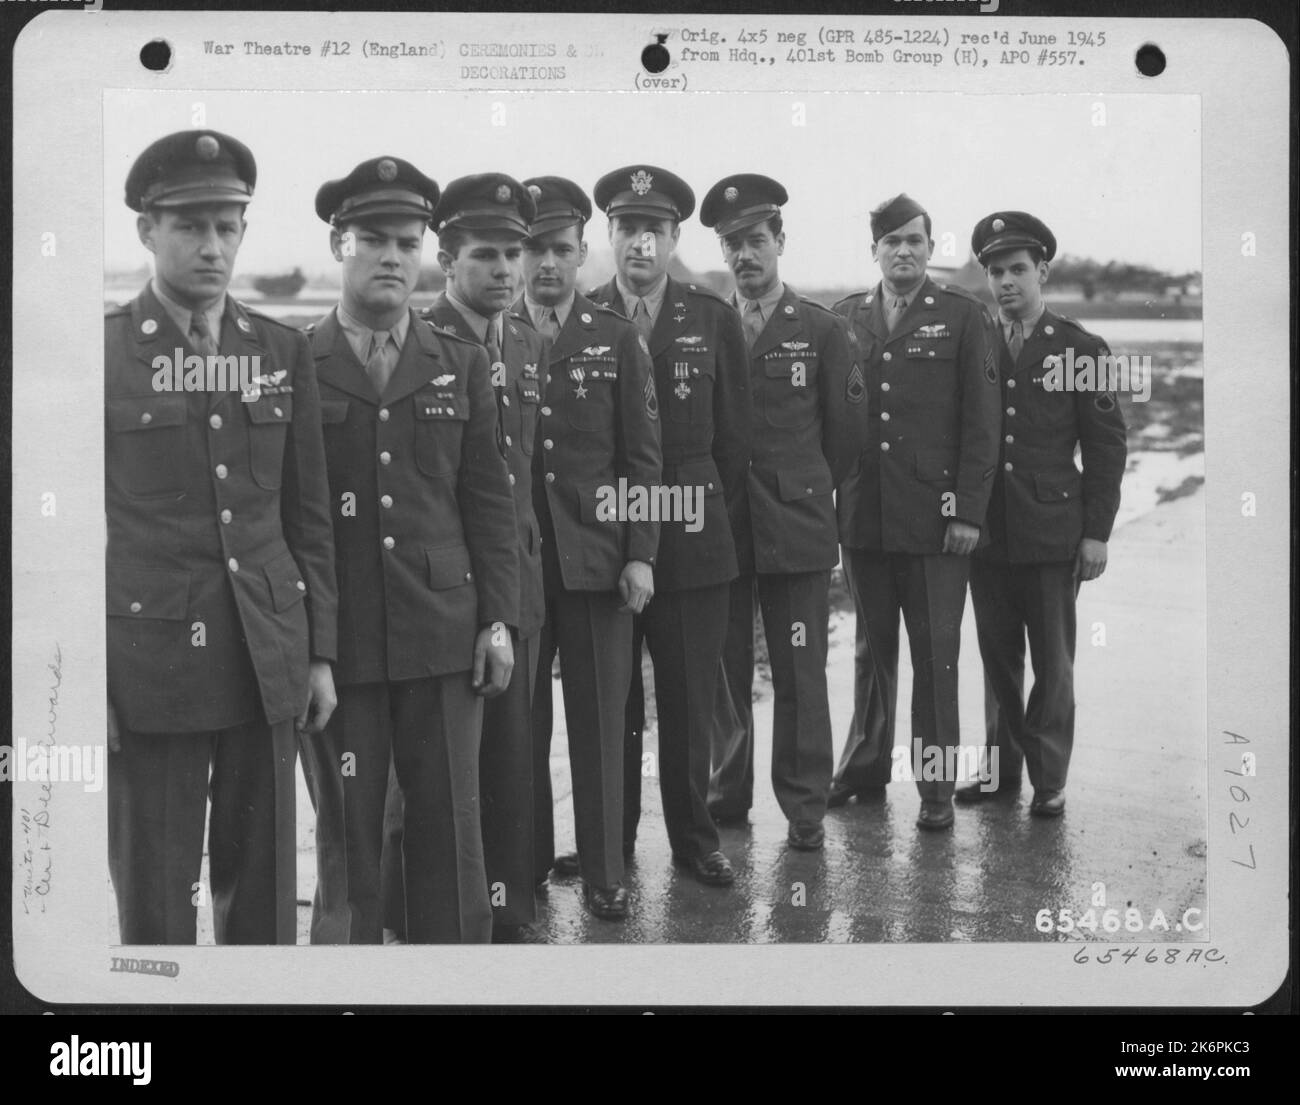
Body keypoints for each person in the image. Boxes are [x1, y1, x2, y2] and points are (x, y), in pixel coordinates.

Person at [106, 129, 337, 944]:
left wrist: (317, 655)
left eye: (227, 226)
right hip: (150, 670)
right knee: (158, 908)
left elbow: (308, 520)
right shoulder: (101, 356)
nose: (212, 246)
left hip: (261, 657)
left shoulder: (280, 351)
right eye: (190, 225)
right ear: (147, 230)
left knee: (266, 902)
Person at [300, 156, 519, 944]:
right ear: (339, 243)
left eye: (408, 240)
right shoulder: (298, 362)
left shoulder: (459, 362)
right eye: (374, 239)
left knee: (451, 842)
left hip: (444, 636)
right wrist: (312, 650)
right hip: (345, 644)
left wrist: (500, 622)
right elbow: (296, 521)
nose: (393, 255)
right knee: (349, 846)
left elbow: (489, 503)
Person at [588, 165, 750, 883]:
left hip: (691, 533)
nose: (640, 244)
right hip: (607, 539)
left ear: (675, 237)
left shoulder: (711, 318)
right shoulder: (585, 318)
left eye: (654, 230)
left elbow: (735, 442)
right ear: (610, 236)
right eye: (627, 229)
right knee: (612, 703)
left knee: (687, 702)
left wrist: (720, 535)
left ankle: (695, 838)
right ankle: (610, 846)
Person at [398, 172, 548, 942]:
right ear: (447, 259)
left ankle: (508, 904)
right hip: (447, 590)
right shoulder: (426, 343)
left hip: (517, 574)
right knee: (450, 769)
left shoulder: (522, 339)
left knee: (512, 756)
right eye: (486, 254)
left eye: (515, 254)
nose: (506, 271)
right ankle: (426, 912)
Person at [700, 174, 867, 850]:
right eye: (733, 244)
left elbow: (846, 438)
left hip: (796, 528)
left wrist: (802, 485)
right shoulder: (706, 327)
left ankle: (804, 808)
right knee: (725, 667)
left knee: (799, 669)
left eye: (756, 241)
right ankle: (726, 793)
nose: (746, 255)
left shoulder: (822, 331)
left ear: (780, 242)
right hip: (723, 528)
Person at [829, 193, 1001, 831]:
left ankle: (934, 788)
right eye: (891, 241)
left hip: (937, 523)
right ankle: (865, 767)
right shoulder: (846, 317)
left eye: (915, 241)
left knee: (935, 655)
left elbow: (982, 426)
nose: (904, 251)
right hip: (865, 519)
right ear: (873, 249)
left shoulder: (962, 315)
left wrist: (968, 514)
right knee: (871, 654)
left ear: (931, 247)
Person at [519, 175, 663, 919]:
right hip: (518, 566)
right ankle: (528, 862)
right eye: (534, 248)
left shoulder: (614, 338)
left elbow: (643, 456)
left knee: (603, 724)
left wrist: (640, 552)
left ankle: (606, 873)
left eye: (561, 249)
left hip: (601, 562)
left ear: (581, 254)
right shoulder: (494, 335)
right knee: (521, 725)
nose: (548, 263)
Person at [957, 211, 1127, 817]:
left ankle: (1049, 778)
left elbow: (1107, 446)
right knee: (998, 659)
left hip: (1054, 532)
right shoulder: (973, 341)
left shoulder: (1081, 347)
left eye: (1017, 270)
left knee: (1053, 664)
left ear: (1042, 271)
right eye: (995, 271)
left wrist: (1096, 535)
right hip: (987, 533)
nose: (1005, 281)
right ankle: (1001, 773)